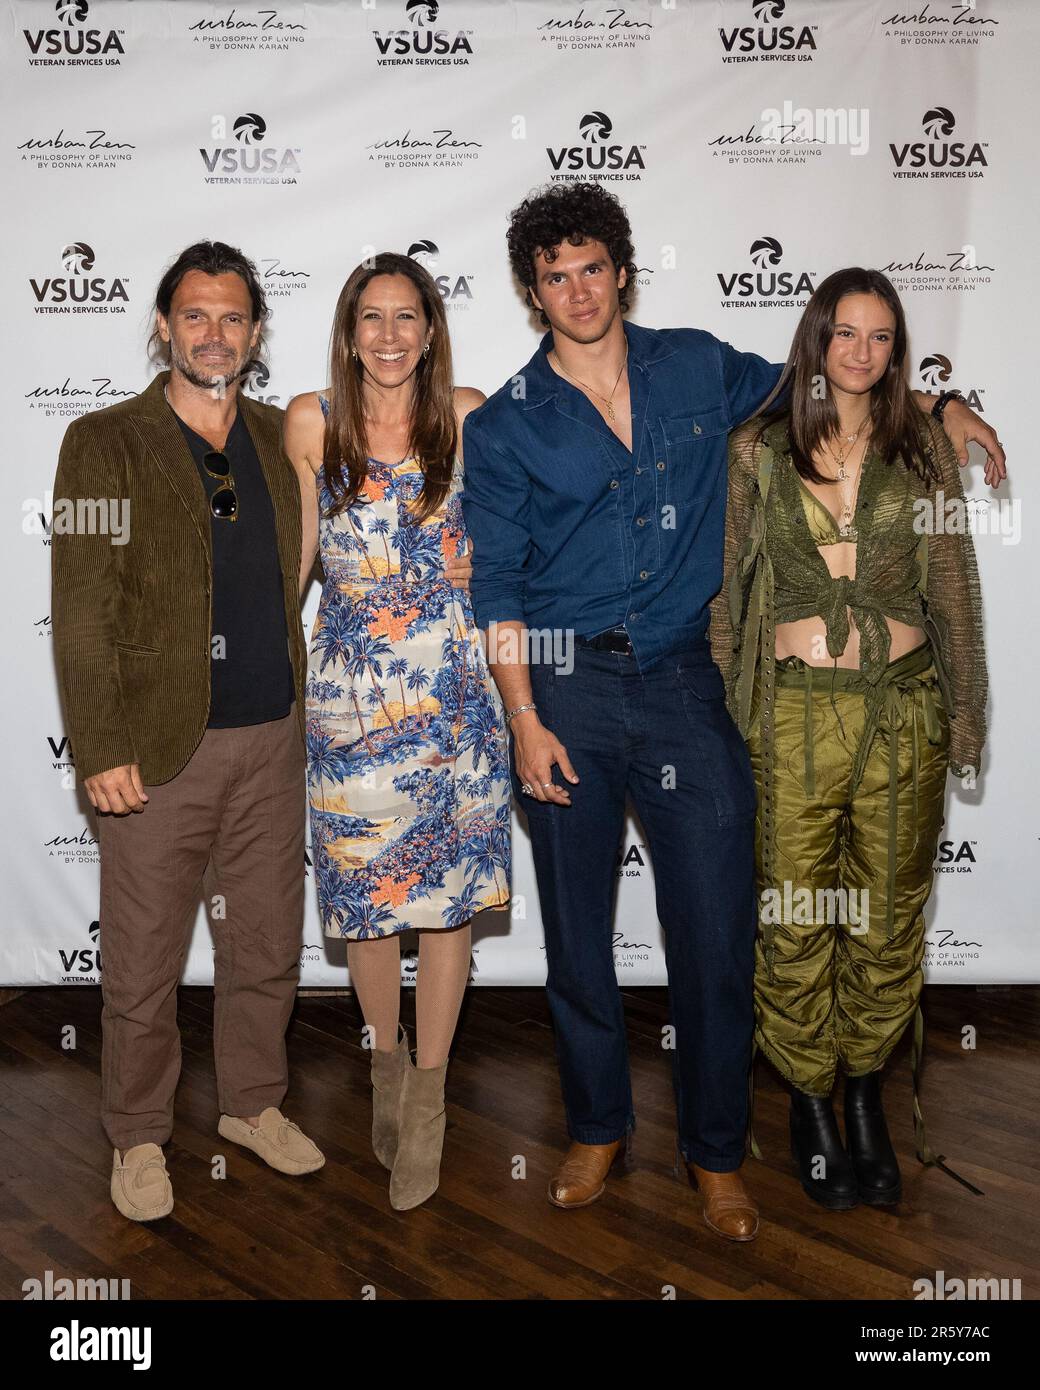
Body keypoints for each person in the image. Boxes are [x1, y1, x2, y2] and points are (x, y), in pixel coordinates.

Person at [461, 181, 1004, 1242]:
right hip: (563, 685)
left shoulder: (699, 364)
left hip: (678, 681)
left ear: (620, 269)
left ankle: (715, 1152)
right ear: (533, 292)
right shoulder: (509, 421)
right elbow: (496, 586)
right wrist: (521, 716)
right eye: (552, 274)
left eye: (589, 266)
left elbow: (833, 382)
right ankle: (596, 1128)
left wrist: (941, 404)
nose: (575, 289)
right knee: (576, 936)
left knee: (714, 930)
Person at [51, 240, 324, 1223]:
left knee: (263, 945)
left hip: (271, 738)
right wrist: (98, 744)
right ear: (164, 326)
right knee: (142, 960)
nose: (215, 332)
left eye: (233, 317)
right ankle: (138, 1132)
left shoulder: (280, 432)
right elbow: (80, 604)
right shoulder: (102, 440)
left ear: (256, 332)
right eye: (195, 315)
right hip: (158, 751)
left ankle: (252, 1104)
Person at [710, 268, 989, 1210]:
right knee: (794, 916)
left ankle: (864, 1091)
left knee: (884, 914)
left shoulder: (922, 451)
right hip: (790, 715)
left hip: (904, 710)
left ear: (896, 349)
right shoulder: (757, 447)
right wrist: (724, 714)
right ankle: (810, 1100)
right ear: (816, 340)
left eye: (880, 338)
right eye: (846, 335)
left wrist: (968, 710)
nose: (861, 354)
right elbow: (726, 599)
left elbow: (953, 586)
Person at [284, 252, 511, 1211]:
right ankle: (385, 1063)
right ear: (348, 331)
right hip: (351, 701)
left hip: (457, 691)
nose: (388, 336)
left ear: (429, 328)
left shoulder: (467, 412)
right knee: (369, 904)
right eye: (371, 318)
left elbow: (520, 529)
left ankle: (430, 1096)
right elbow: (297, 561)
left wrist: (489, 570)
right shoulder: (312, 421)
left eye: (405, 317)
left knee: (447, 903)